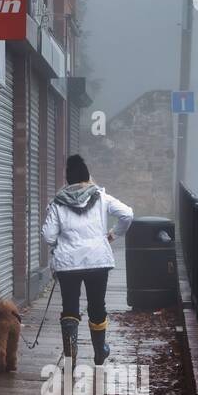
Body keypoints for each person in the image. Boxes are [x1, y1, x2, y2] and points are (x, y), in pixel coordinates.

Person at [41, 154, 133, 365]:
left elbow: (48, 236)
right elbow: (127, 214)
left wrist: (59, 242)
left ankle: (70, 357)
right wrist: (113, 234)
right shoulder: (101, 196)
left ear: (68, 179)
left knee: (70, 308)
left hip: (68, 264)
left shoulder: (57, 202)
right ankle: (100, 351)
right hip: (97, 261)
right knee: (97, 306)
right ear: (87, 176)